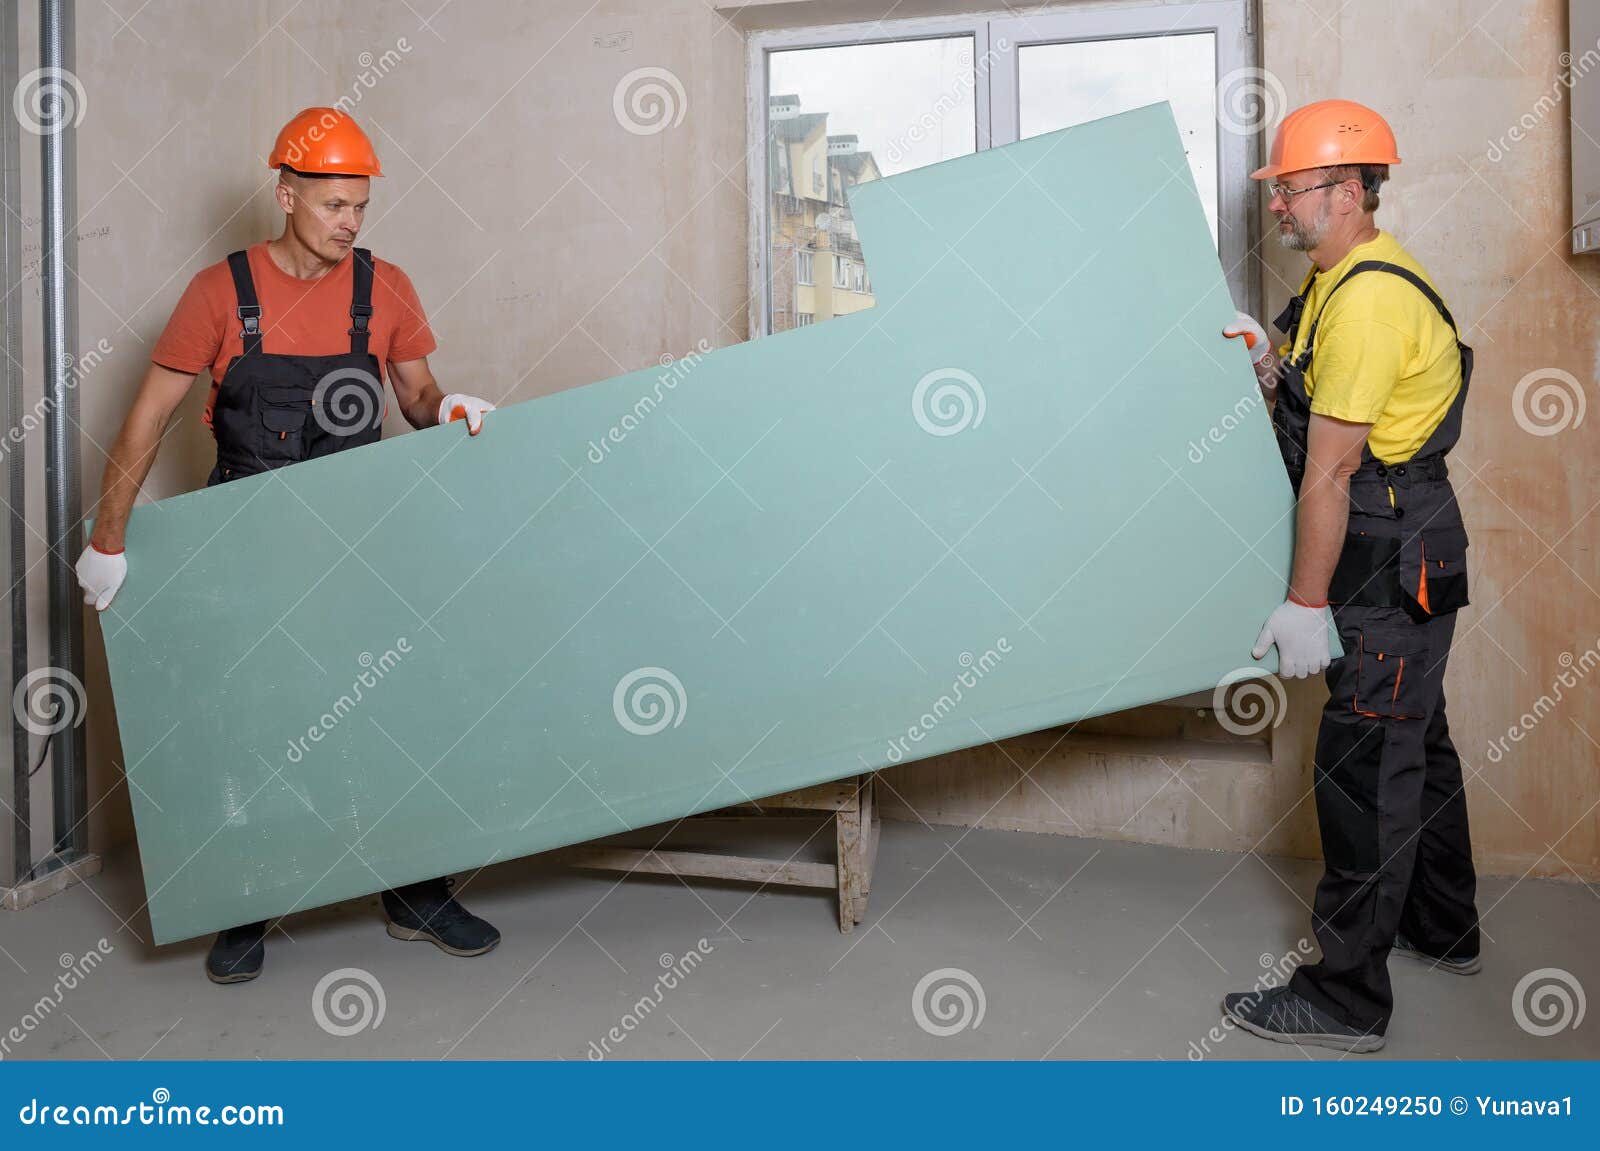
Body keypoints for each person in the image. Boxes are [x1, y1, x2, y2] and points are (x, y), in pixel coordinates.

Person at [75, 107, 502, 984]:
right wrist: (107, 539)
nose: (351, 221)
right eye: (335, 203)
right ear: (286, 194)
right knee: (248, 724)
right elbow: (149, 417)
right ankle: (244, 900)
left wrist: (449, 408)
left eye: (361, 206)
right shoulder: (217, 294)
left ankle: (413, 891)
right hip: (244, 544)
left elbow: (417, 397)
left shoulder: (385, 288)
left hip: (359, 543)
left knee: (385, 716)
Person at [1221, 99, 1480, 1052]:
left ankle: (1345, 1000)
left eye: (1287, 189)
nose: (1278, 206)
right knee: (1419, 747)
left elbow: (1330, 471)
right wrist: (1269, 360)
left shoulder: (1371, 297)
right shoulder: (1336, 280)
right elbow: (1313, 384)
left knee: (1365, 767)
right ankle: (1442, 928)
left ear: (1342, 188)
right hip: (1409, 544)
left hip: (1385, 547)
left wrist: (1303, 602)